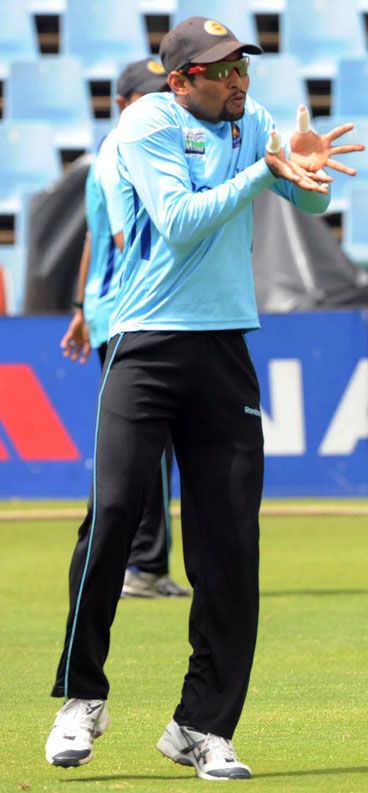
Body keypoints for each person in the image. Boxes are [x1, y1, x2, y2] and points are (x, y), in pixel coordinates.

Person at [44, 16, 363, 780]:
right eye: (222, 71)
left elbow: (308, 206)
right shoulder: (147, 125)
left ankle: (203, 723)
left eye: (242, 67)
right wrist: (264, 173)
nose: (239, 81)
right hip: (147, 343)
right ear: (181, 79)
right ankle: (82, 696)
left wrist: (305, 173)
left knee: (230, 544)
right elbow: (181, 223)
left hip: (224, 347)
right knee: (114, 515)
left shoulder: (252, 121)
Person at [60, 57, 190, 600]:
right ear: (121, 102)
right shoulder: (125, 148)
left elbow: (93, 237)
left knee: (132, 446)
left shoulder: (114, 149)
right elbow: (119, 237)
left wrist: (78, 306)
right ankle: (144, 565)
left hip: (108, 307)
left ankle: (129, 561)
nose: (160, 100)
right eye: (147, 93)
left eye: (164, 91)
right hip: (130, 308)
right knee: (147, 447)